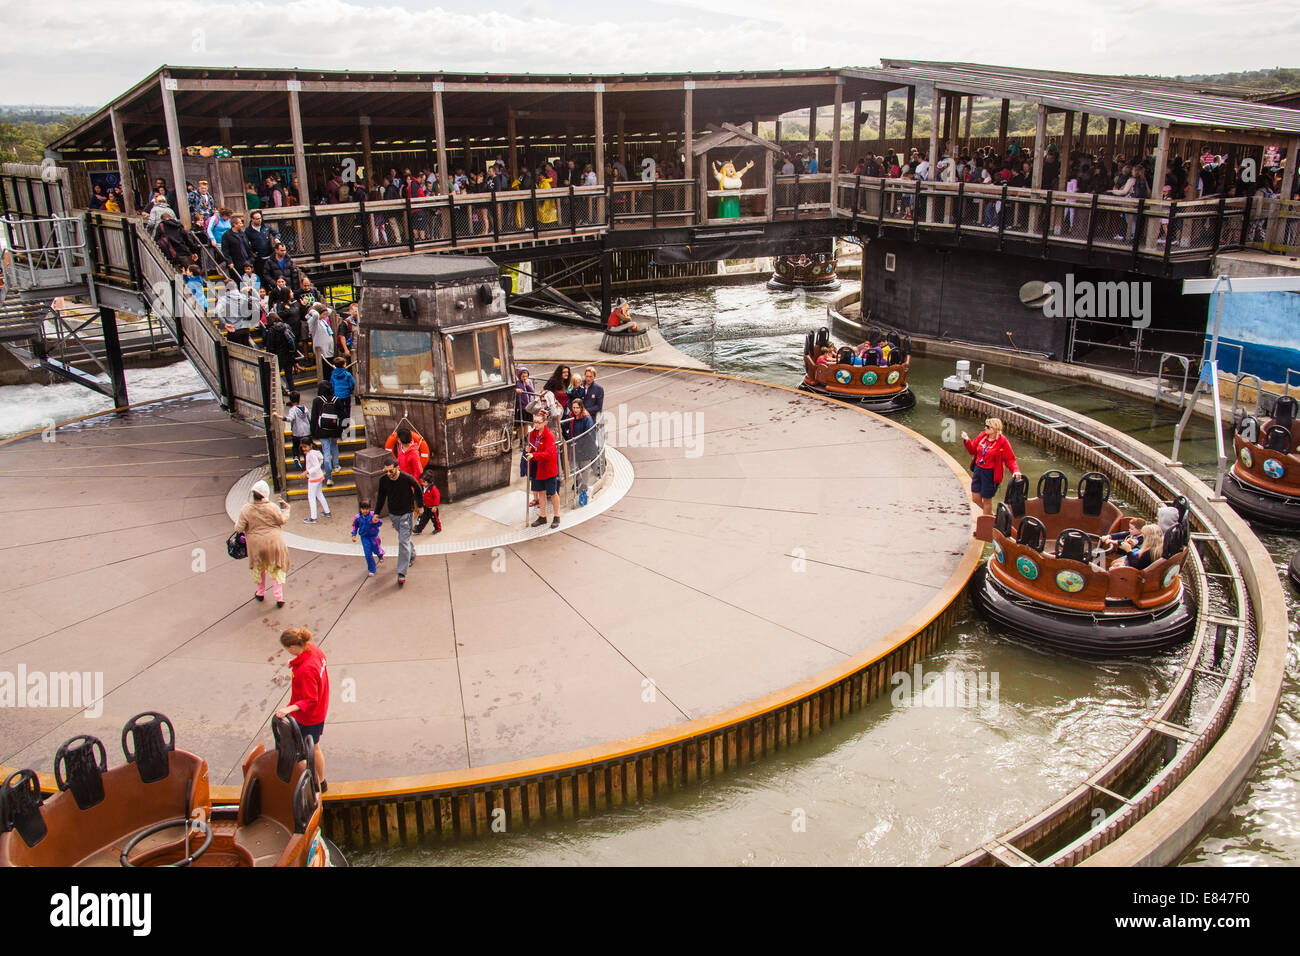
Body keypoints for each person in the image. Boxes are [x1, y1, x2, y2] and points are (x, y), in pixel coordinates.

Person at [275, 627, 329, 793]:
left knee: (310, 748)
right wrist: (292, 663)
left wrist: (288, 709)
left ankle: (317, 782)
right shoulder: (313, 649)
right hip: (320, 708)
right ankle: (321, 781)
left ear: (292, 648)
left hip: (310, 716)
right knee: (315, 746)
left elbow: (310, 699)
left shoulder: (305, 670)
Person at [233, 479, 291, 607]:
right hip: (274, 543)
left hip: (256, 546)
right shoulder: (272, 507)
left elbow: (238, 528)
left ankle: (260, 593)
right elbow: (282, 520)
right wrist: (287, 509)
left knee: (259, 569)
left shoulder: (246, 509)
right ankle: (279, 598)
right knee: (275, 570)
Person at [375, 457, 424, 586]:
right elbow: (381, 497)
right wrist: (376, 513)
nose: (388, 474)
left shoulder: (406, 478)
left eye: (391, 471)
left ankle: (402, 572)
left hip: (406, 513)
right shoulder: (383, 481)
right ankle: (411, 553)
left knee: (403, 541)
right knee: (405, 538)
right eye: (386, 471)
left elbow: (418, 489)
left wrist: (420, 506)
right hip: (393, 514)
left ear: (398, 468)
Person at [961, 418, 1020, 517]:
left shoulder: (1002, 442)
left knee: (987, 499)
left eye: (988, 427)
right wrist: (967, 440)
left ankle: (986, 525)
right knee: (975, 498)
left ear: (995, 428)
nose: (985, 428)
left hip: (990, 473)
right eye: (985, 426)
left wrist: (1015, 471)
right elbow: (972, 450)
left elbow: (1010, 459)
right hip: (978, 470)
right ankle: (992, 517)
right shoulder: (982, 436)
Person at [526, 408, 561, 529]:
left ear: (544, 423)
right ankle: (543, 516)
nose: (535, 425)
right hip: (537, 467)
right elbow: (533, 447)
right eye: (534, 422)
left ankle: (556, 516)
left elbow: (549, 454)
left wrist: (534, 455)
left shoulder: (549, 436)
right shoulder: (533, 434)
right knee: (540, 492)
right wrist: (529, 450)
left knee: (552, 493)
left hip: (548, 469)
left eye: (538, 422)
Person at [310, 383, 344, 485]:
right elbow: (342, 415)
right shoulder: (336, 400)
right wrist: (341, 429)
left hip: (322, 431)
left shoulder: (317, 401)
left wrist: (313, 432)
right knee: (334, 446)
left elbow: (314, 417)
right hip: (334, 429)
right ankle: (336, 465)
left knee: (326, 452)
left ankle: (329, 478)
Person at [272, 391, 312, 472]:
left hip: (297, 433)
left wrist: (278, 416)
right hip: (307, 432)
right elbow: (309, 419)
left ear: (290, 400)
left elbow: (289, 419)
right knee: (306, 450)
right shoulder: (305, 408)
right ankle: (307, 467)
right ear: (299, 399)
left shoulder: (292, 410)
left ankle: (296, 458)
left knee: (295, 448)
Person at [301, 438, 332, 523]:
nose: (304, 449)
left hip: (313, 478)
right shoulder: (315, 452)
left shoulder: (310, 454)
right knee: (319, 494)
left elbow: (316, 466)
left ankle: (313, 517)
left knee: (311, 497)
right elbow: (321, 459)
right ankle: (327, 511)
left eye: (305, 447)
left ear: (310, 445)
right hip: (319, 476)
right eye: (302, 447)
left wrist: (307, 471)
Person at [351, 500, 385, 576]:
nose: (365, 511)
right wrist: (354, 535)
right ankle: (372, 569)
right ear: (360, 509)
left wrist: (377, 521)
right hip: (364, 537)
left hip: (374, 536)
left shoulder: (373, 515)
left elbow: (380, 523)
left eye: (367, 509)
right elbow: (355, 526)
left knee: (376, 549)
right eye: (363, 509)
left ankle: (380, 554)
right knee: (368, 553)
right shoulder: (357, 517)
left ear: (369, 508)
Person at [414, 466, 442, 535]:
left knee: (434, 519)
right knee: (423, 519)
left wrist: (435, 506)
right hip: (425, 507)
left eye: (423, 482)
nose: (422, 483)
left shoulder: (433, 489)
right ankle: (418, 529)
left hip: (432, 507)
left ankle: (438, 528)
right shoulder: (423, 488)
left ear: (428, 482)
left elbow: (437, 497)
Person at [514, 366, 536, 445]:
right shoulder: (517, 383)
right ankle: (521, 439)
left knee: (526, 423)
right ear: (519, 376)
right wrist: (516, 390)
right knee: (521, 425)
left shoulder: (529, 382)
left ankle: (525, 438)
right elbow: (513, 390)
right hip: (520, 406)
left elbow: (532, 391)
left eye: (526, 376)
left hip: (528, 406)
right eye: (523, 376)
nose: (525, 378)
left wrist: (527, 385)